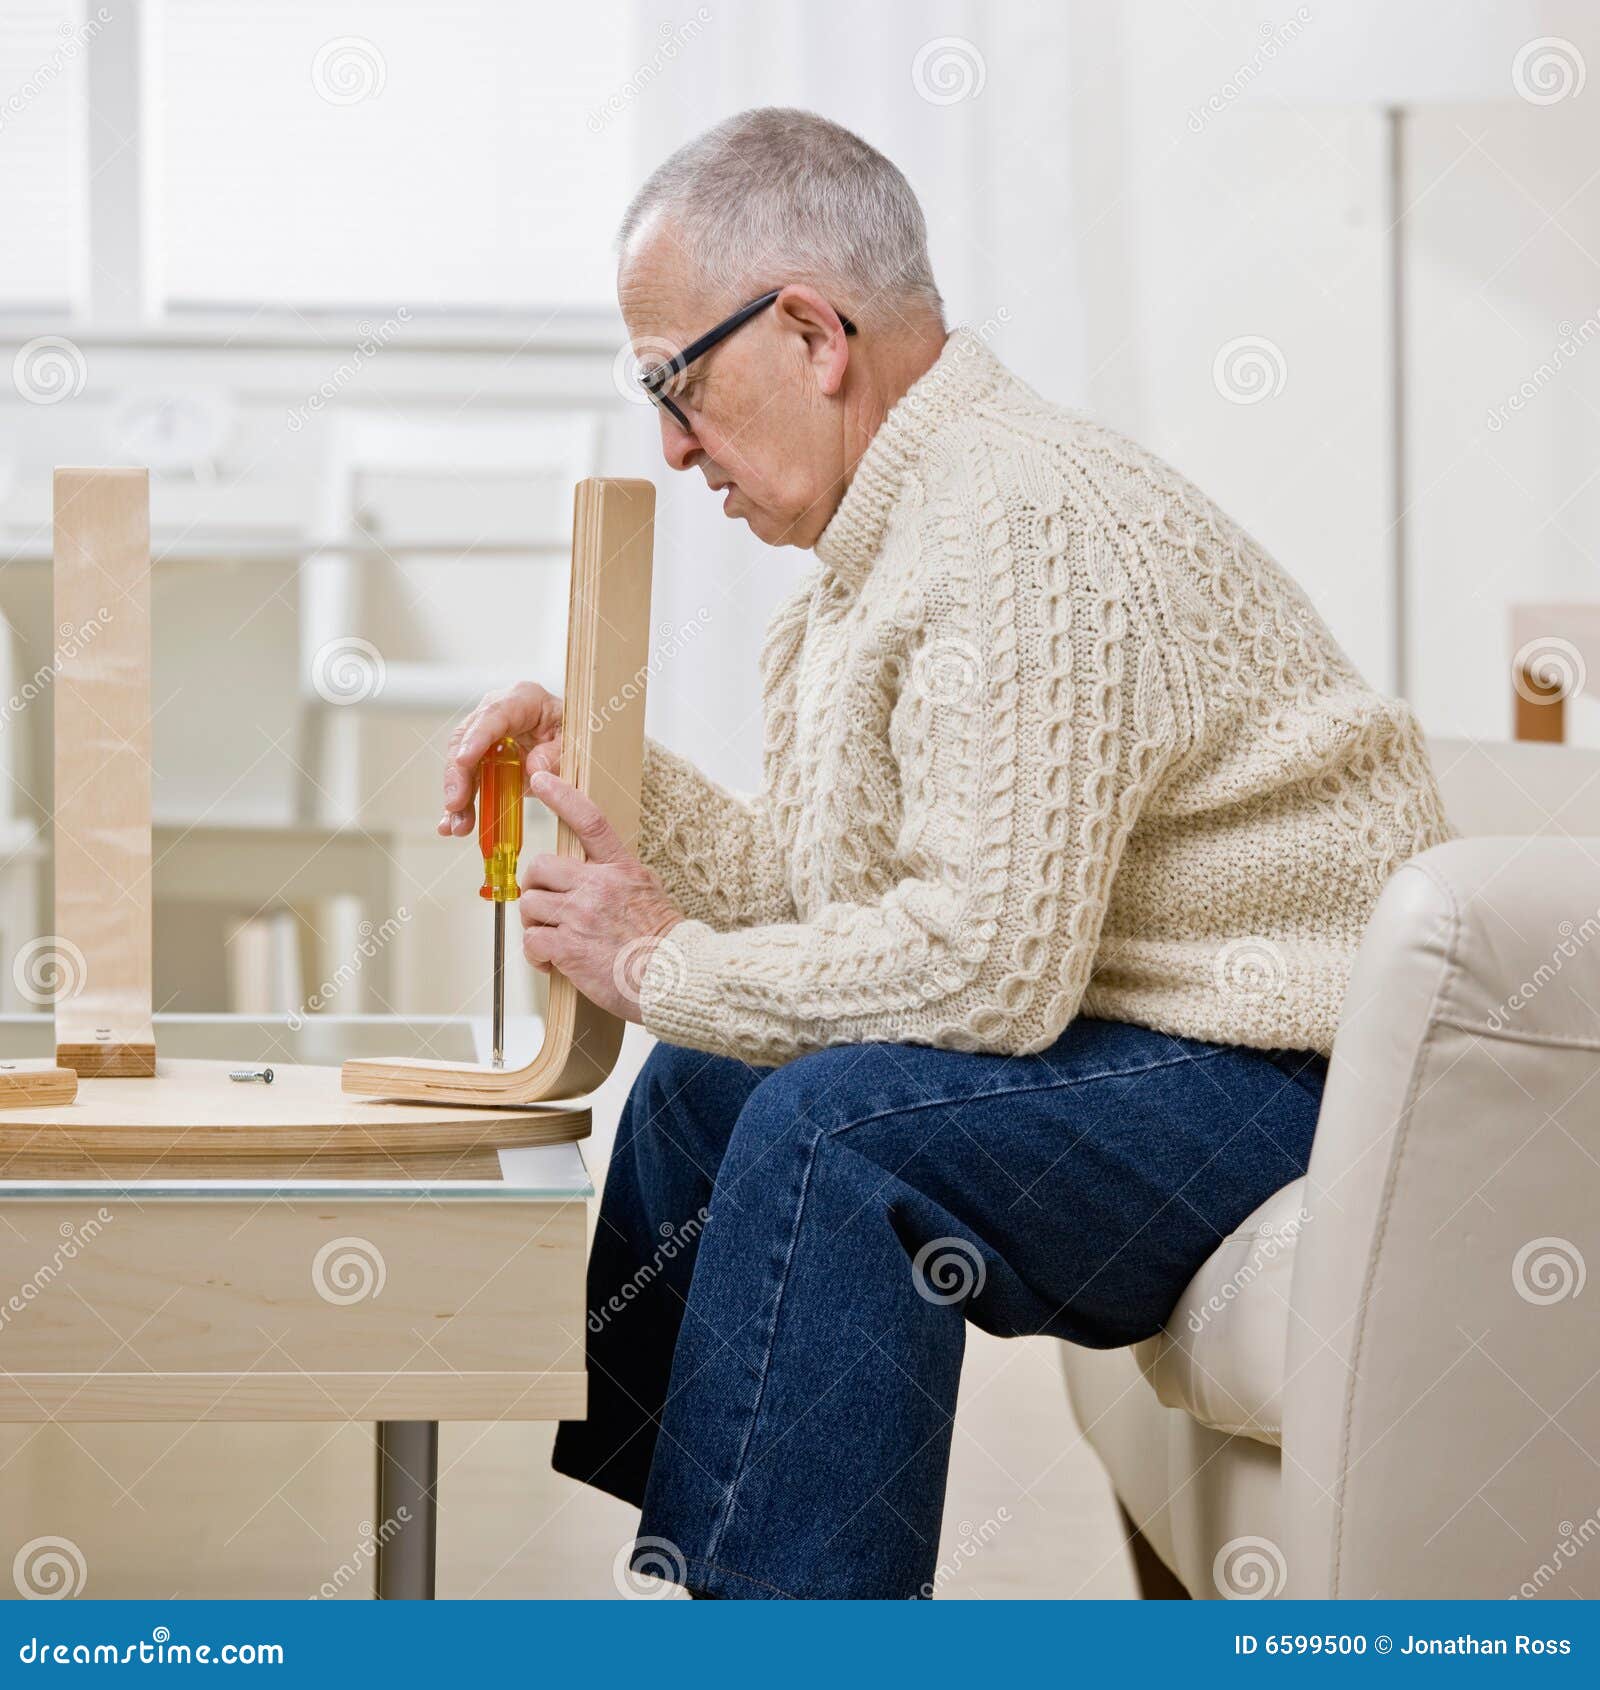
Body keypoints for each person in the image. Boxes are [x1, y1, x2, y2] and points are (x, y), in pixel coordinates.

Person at [437, 107, 1452, 1599]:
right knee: (706, 1084)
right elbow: (841, 913)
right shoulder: (868, 570)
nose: (667, 440)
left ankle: (787, 1613)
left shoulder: (1010, 515)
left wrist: (652, 955)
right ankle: (706, 1570)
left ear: (809, 331)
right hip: (1156, 1042)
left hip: (1298, 1075)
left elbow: (982, 970)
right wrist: (604, 770)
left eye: (676, 379)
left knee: (829, 1126)